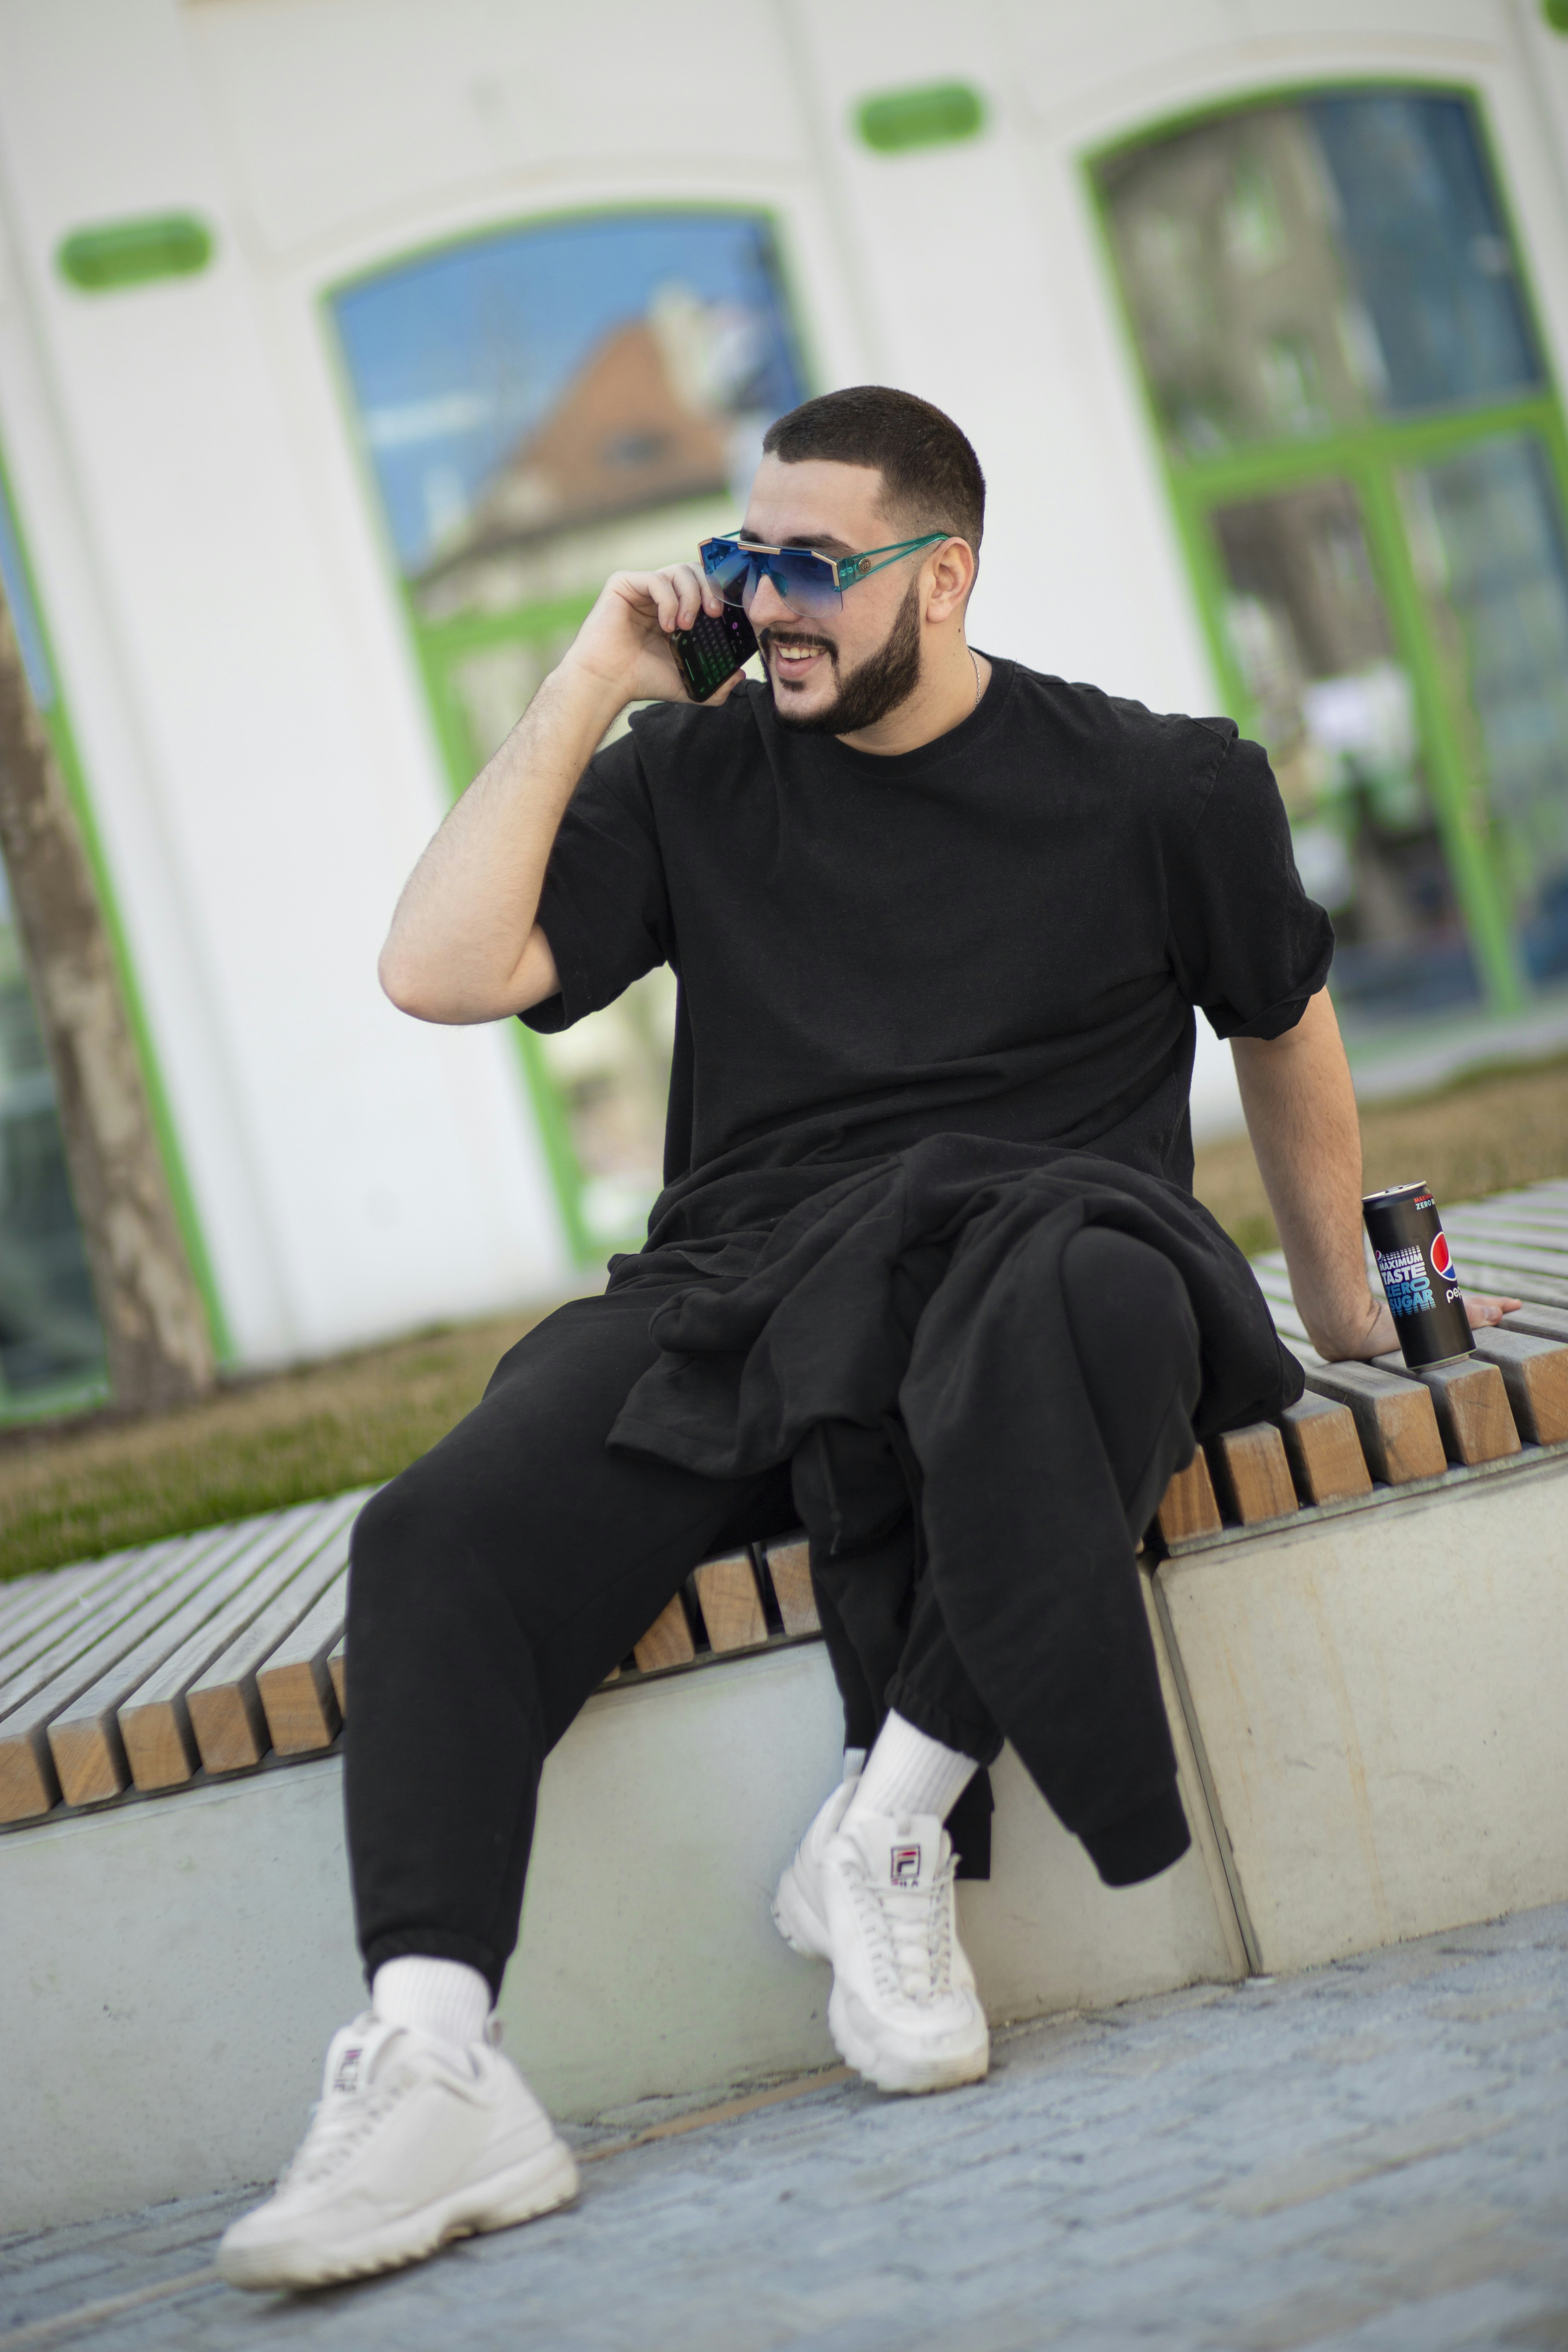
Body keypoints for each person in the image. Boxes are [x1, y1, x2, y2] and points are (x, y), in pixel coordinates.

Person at [218, 387, 1518, 2292]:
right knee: (430, 1537)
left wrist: (1342, 1305)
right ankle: (434, 2061)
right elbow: (441, 971)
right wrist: (596, 679)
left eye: (815, 564)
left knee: (1112, 1292)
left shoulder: (1160, 785)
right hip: (744, 1281)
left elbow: (1283, 1010)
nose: (771, 599)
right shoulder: (693, 775)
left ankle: (890, 1825)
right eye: (752, 557)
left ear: (949, 573)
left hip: (1036, 1253)